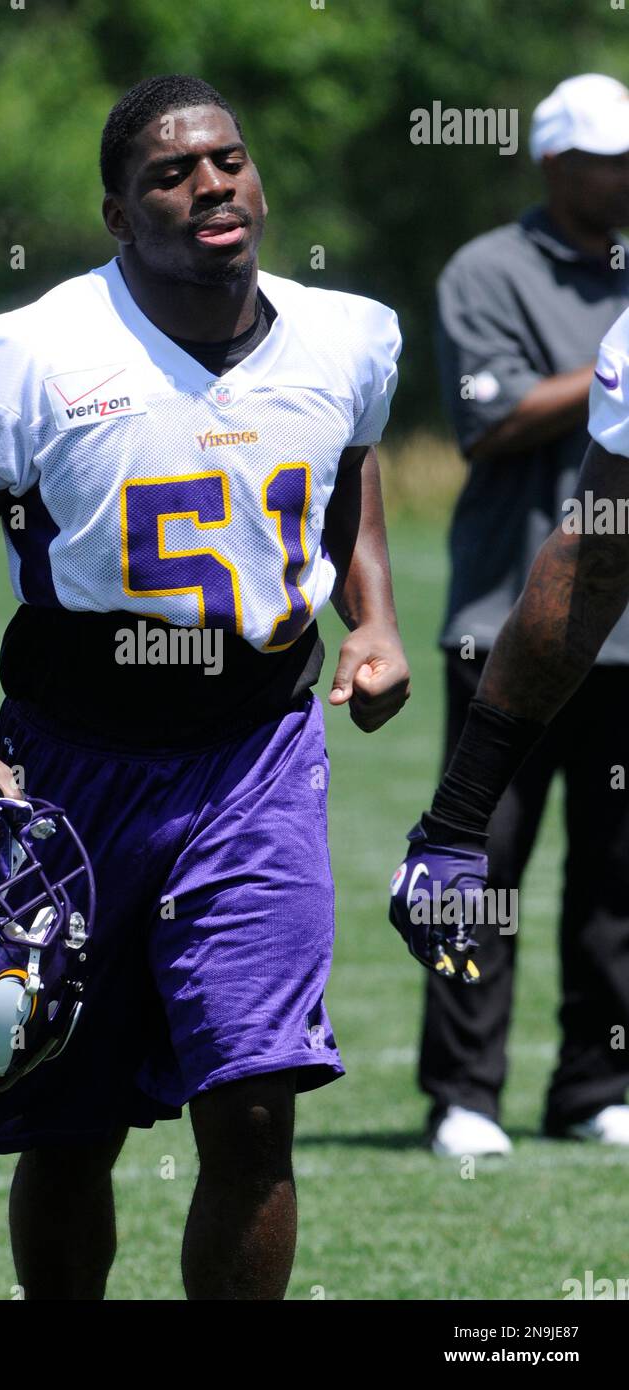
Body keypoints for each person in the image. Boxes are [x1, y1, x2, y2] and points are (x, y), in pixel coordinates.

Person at [0, 73, 410, 1300]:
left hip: (258, 755)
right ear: (119, 217)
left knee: (252, 1104)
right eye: (169, 175)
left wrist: (373, 616)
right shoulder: (25, 356)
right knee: (71, 1121)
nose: (209, 186)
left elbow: (344, 468)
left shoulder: (346, 335)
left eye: (225, 160)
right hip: (73, 762)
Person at [419, 74, 629, 1156]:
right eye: (608, 158)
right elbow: (484, 418)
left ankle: (592, 1083)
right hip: (507, 617)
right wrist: (610, 376)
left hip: (626, 636)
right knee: (480, 862)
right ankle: (462, 1092)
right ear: (554, 163)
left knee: (613, 874)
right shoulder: (484, 271)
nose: (626, 175)